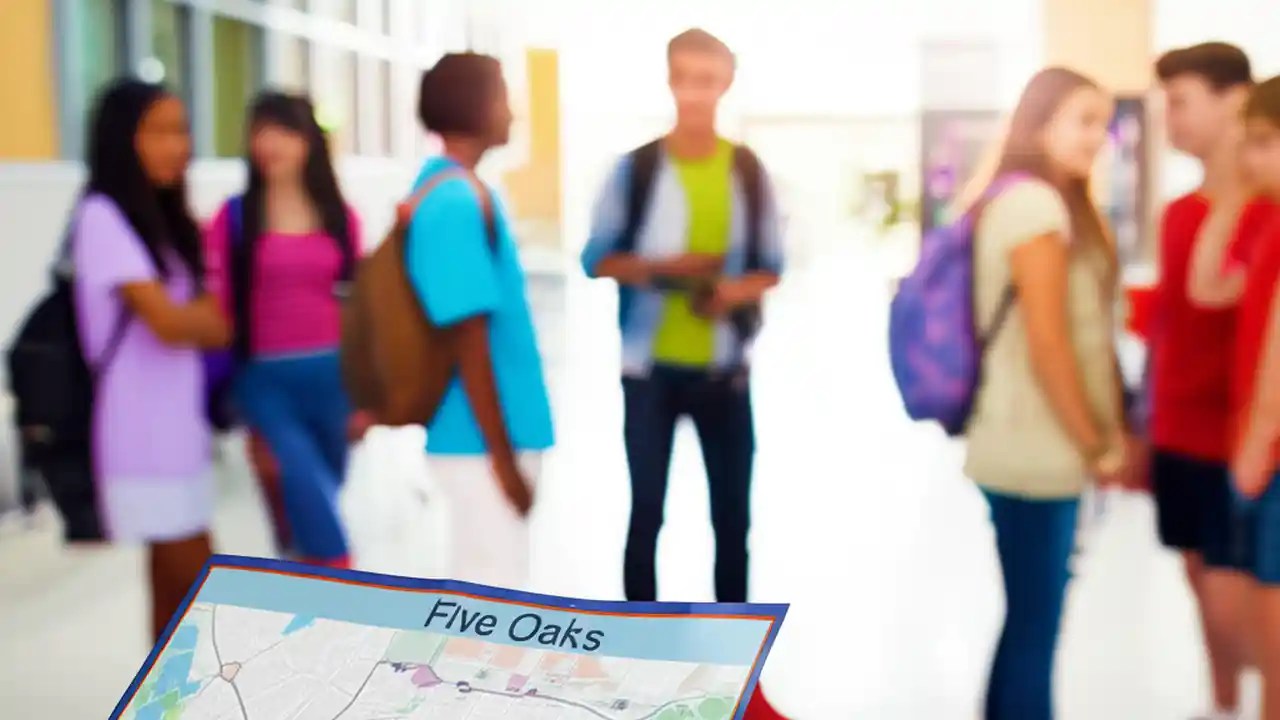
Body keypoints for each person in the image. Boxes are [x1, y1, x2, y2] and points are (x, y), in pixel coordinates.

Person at [579, 28, 786, 718]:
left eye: (710, 78)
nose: (697, 91)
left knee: (734, 521)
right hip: (650, 372)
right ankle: (638, 671)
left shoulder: (748, 170)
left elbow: (771, 266)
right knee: (647, 515)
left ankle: (739, 677)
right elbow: (595, 257)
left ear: (727, 83)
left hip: (725, 373)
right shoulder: (634, 170)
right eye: (685, 77)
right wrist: (664, 269)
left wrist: (731, 290)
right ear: (670, 82)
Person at [960, 68, 1127, 720]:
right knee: (1036, 624)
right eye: (1084, 121)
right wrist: (1095, 444)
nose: (1098, 138)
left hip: (1020, 442)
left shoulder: (1032, 201)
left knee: (1028, 616)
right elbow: (1049, 346)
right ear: (1039, 123)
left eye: (1102, 123)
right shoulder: (1034, 207)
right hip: (1037, 450)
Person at [72, 79, 230, 641]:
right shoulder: (101, 215)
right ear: (122, 140)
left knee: (174, 598)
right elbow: (168, 322)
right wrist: (243, 318)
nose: (177, 145)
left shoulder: (160, 224)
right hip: (140, 437)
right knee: (203, 597)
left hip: (178, 433)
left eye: (182, 131)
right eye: (159, 131)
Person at [406, 53, 554, 588]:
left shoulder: (463, 190)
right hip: (479, 441)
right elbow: (467, 336)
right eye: (504, 96)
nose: (512, 112)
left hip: (486, 437)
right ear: (476, 106)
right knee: (491, 605)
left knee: (491, 595)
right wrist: (503, 460)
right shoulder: (454, 201)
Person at [1151, 43, 1265, 720]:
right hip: (1180, 433)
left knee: (1240, 598)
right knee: (1201, 581)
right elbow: (1171, 330)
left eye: (1181, 101)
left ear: (1235, 100)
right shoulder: (1179, 213)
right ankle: (1220, 705)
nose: (1171, 119)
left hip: (1241, 439)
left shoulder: (1265, 213)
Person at [204, 92, 366, 568]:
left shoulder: (341, 216)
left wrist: (366, 398)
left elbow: (357, 308)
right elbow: (221, 312)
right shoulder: (233, 218)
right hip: (266, 385)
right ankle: (343, 591)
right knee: (316, 513)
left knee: (308, 515)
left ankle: (304, 620)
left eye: (284, 130)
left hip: (334, 381)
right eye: (260, 131)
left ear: (309, 141)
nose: (269, 143)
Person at [1225, 75, 1280, 720]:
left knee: (1273, 647)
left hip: (1271, 457)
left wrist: (1258, 443)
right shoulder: (1265, 217)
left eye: (1264, 143)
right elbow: (1212, 287)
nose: (1250, 158)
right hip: (1263, 449)